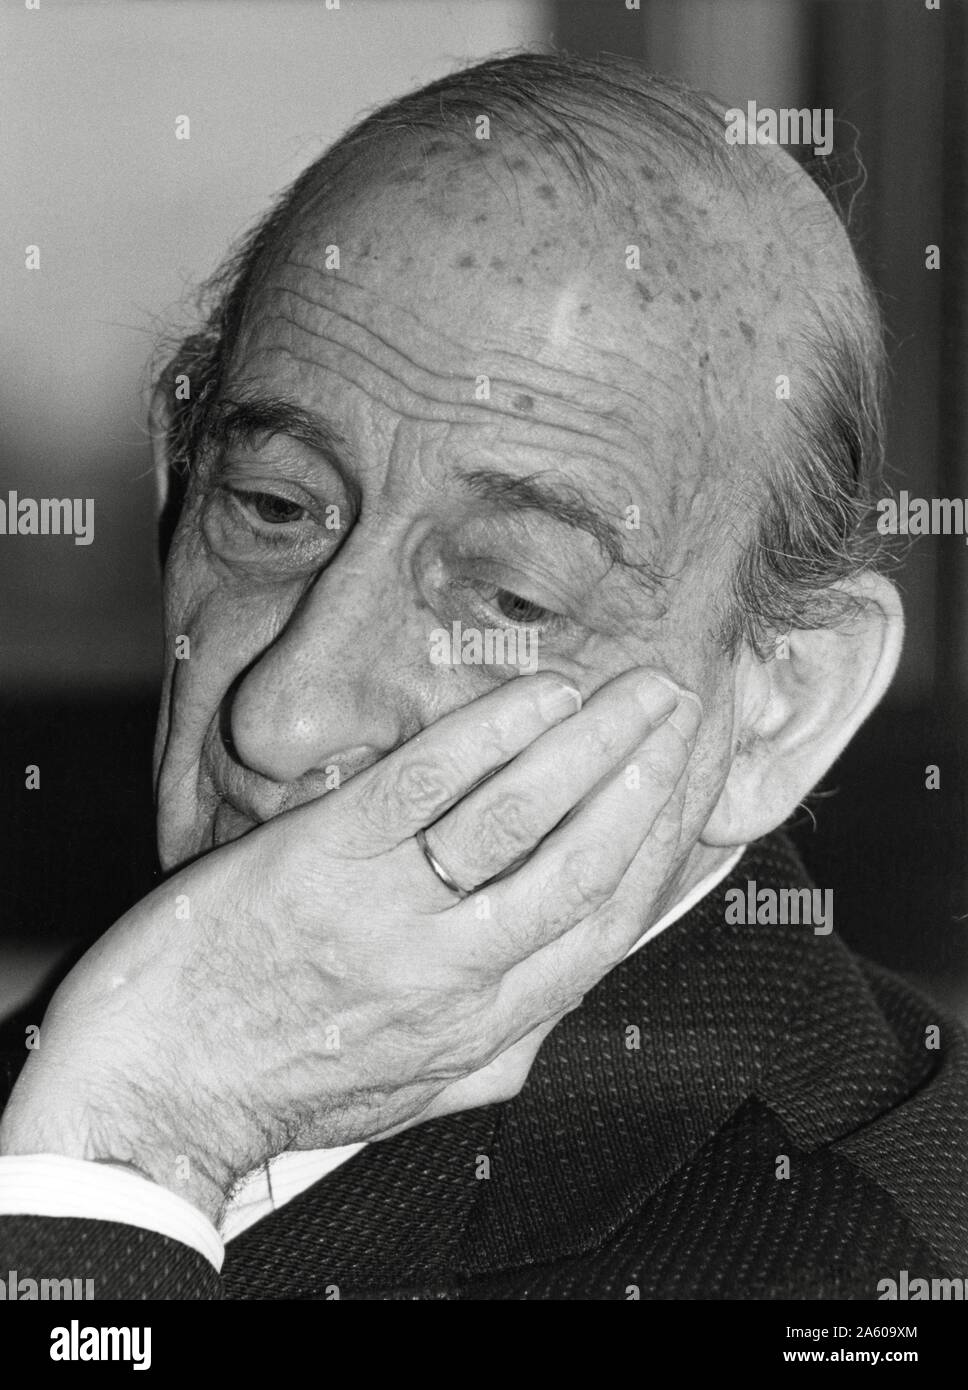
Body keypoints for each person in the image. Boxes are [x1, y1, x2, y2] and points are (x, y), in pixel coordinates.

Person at [0, 51, 964, 1301]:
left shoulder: (852, 1271)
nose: (281, 715)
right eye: (273, 505)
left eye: (509, 598)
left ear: (779, 703)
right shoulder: (132, 1002)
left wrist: (130, 1152)